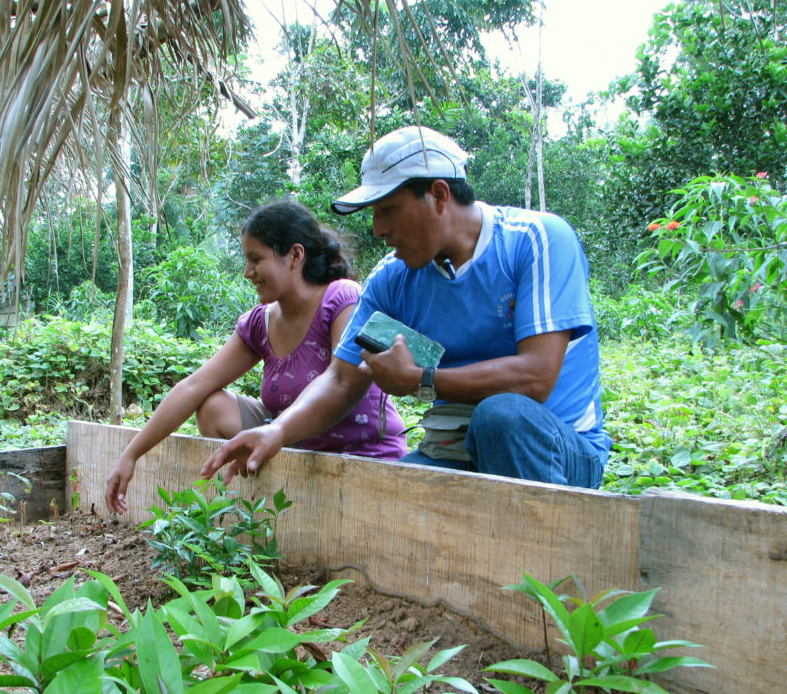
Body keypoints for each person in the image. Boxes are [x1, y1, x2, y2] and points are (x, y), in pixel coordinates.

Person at [200, 126, 611, 489]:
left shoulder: (535, 240)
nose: (378, 229)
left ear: (438, 195)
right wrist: (278, 430)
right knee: (386, 499)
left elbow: (536, 377)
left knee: (500, 417)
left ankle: (541, 566)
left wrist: (421, 378)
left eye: (388, 210)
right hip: (452, 451)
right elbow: (342, 380)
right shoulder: (393, 277)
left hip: (556, 450)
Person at [105, 200, 407, 514]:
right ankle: (259, 502)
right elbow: (194, 386)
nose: (248, 272)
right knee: (212, 407)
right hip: (297, 455)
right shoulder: (259, 323)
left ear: (295, 255)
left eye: (256, 259)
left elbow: (341, 381)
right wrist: (131, 454)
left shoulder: (342, 298)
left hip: (366, 459)